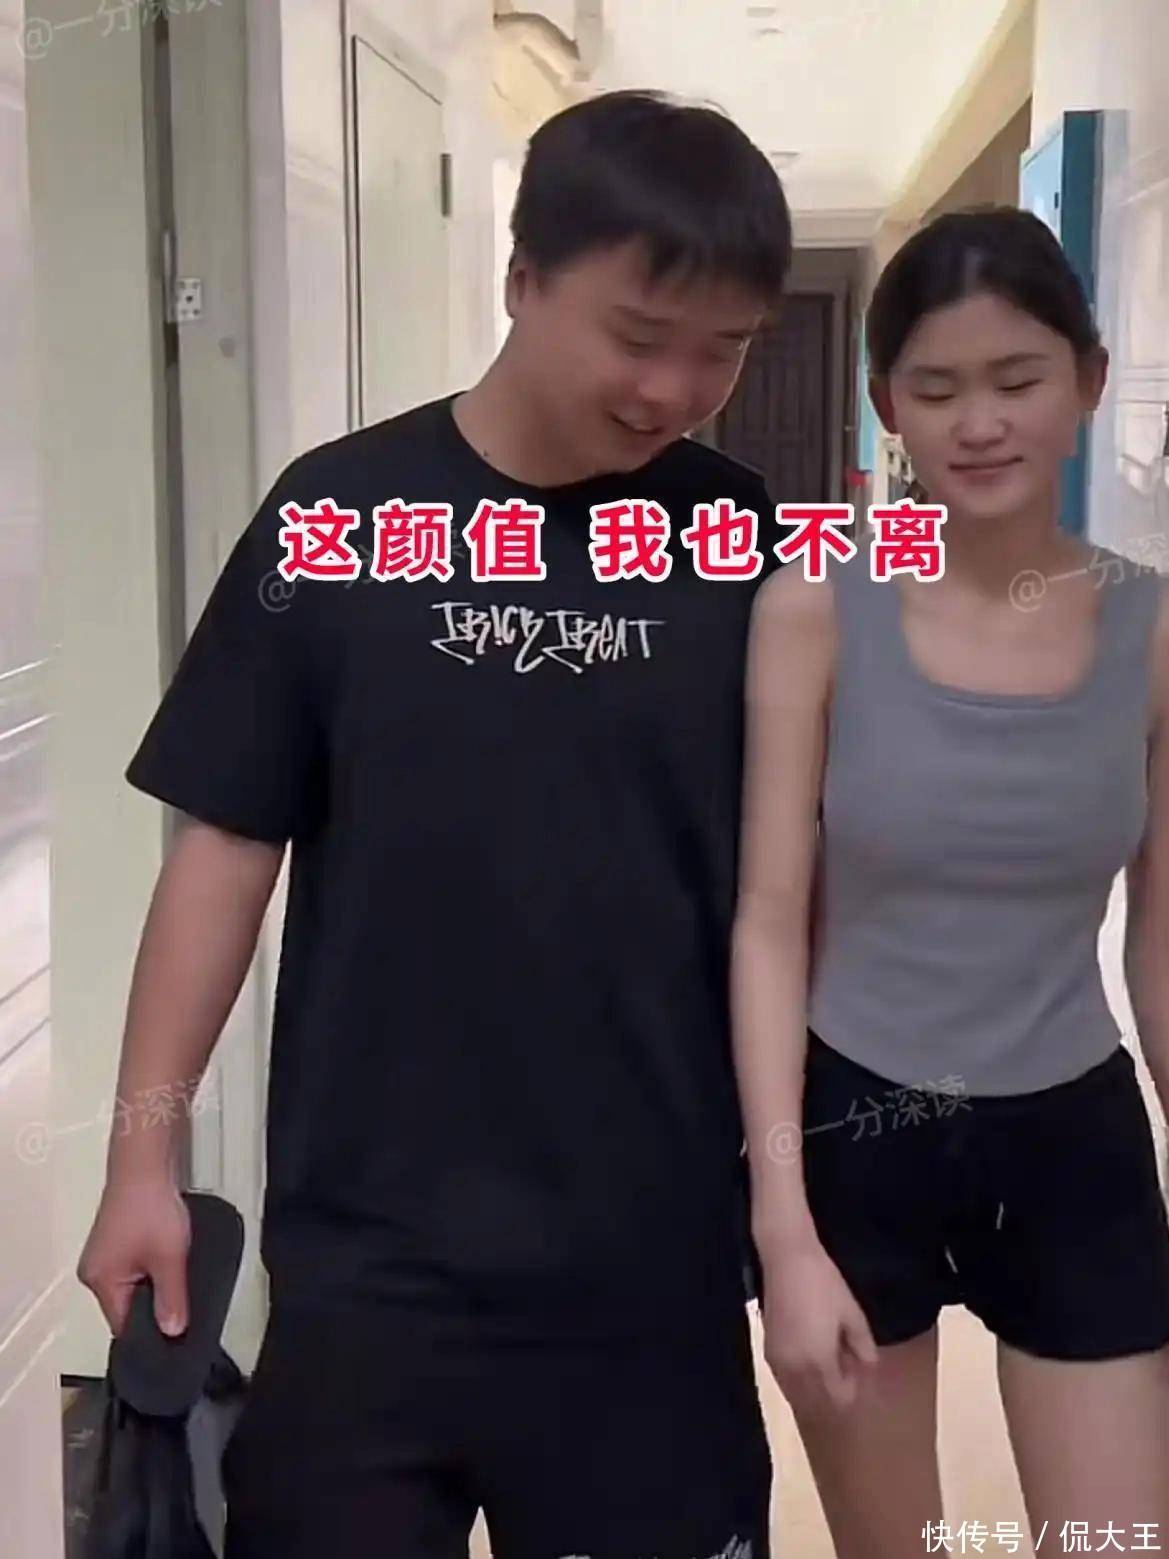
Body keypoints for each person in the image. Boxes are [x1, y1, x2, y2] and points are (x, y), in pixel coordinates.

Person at [78, 90, 792, 1559]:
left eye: (721, 350)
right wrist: (143, 1159)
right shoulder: (336, 518)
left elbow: (793, 896)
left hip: (649, 1272)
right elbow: (223, 853)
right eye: (638, 335)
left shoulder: (741, 541)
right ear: (522, 279)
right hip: (368, 1273)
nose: (673, 390)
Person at [732, 206, 1169, 1559]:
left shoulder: (1153, 626)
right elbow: (766, 924)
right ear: (888, 411)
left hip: (1073, 1130)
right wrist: (782, 1233)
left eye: (1016, 379)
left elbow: (1162, 939)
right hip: (859, 1131)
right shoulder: (818, 604)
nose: (978, 423)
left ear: (1087, 382)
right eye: (935, 389)